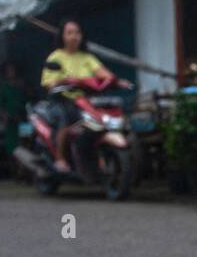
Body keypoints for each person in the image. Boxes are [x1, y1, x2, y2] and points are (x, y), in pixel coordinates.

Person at [40, 20, 130, 172]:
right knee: (65, 120)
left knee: (103, 116)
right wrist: (60, 81)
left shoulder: (86, 57)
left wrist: (115, 80)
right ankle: (60, 158)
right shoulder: (56, 57)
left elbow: (102, 72)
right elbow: (48, 83)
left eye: (77, 32)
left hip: (84, 100)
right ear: (63, 36)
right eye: (70, 33)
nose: (74, 36)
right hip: (61, 98)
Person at [0, 60, 28, 172]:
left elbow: (28, 101)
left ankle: (25, 169)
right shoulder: (4, 87)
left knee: (26, 143)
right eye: (9, 70)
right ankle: (16, 171)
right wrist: (5, 116)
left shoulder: (23, 85)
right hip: (11, 122)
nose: (11, 72)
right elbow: (1, 106)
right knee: (12, 146)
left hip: (24, 120)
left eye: (13, 70)